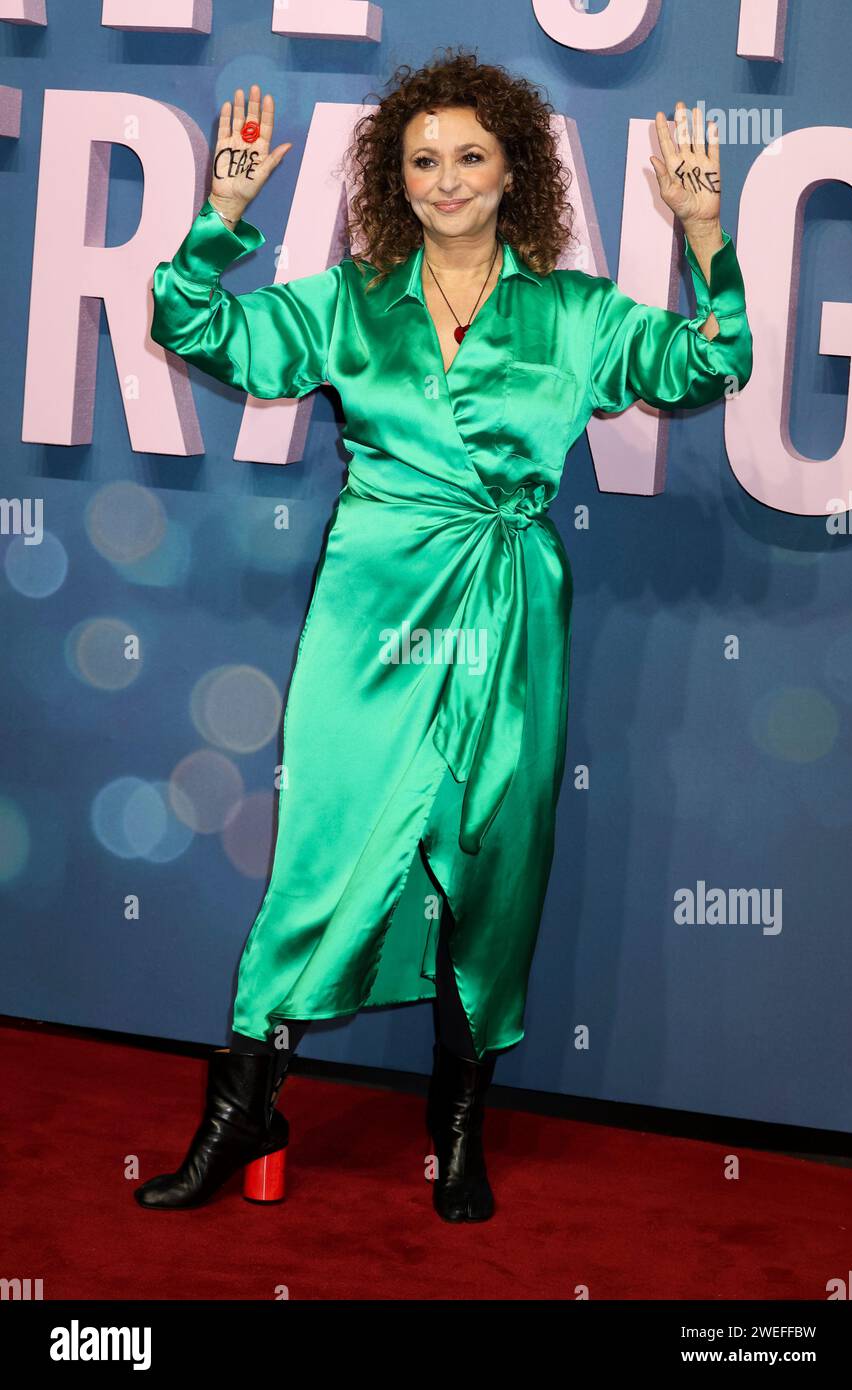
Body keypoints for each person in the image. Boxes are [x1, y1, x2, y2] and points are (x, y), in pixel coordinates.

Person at [133, 49, 753, 1221]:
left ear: (513, 167)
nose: (447, 178)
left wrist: (705, 231)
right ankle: (240, 1112)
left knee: (491, 864)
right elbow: (194, 322)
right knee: (323, 854)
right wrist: (219, 214)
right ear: (392, 178)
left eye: (470, 155)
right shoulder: (347, 301)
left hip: (509, 602)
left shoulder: (573, 315)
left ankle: (455, 1127)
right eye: (423, 160)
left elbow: (712, 360)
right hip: (370, 608)